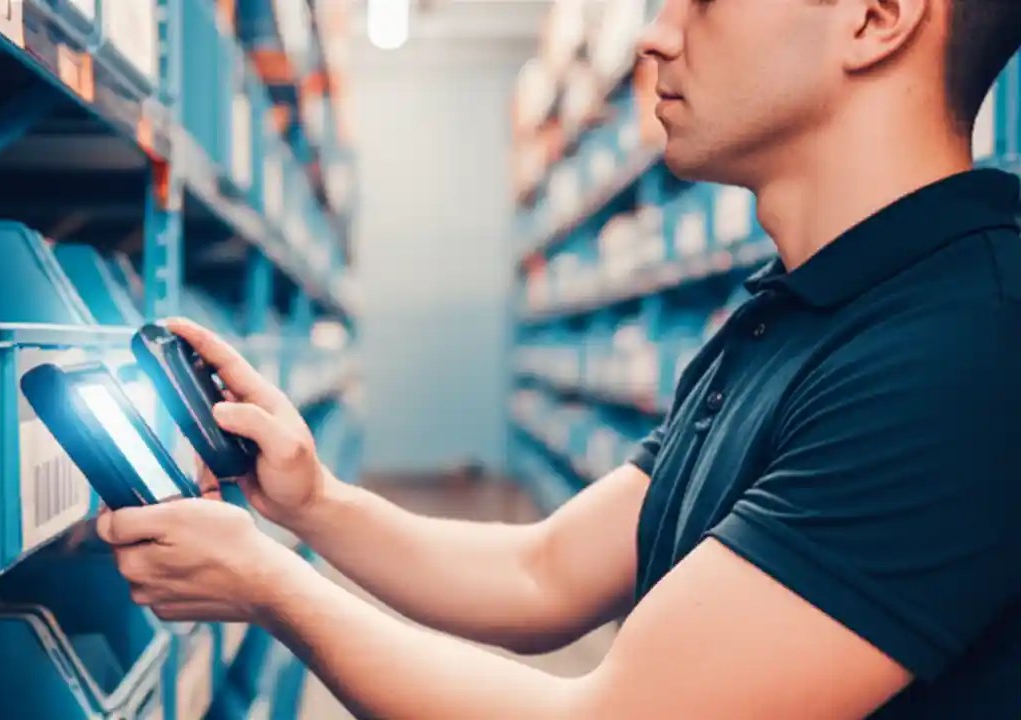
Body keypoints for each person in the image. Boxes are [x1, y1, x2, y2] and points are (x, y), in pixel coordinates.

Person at [98, 0, 1021, 716]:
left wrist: (272, 585)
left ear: (875, 18)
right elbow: (542, 574)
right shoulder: (793, 312)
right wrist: (314, 504)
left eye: (700, 0)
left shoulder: (962, 349)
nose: (652, 39)